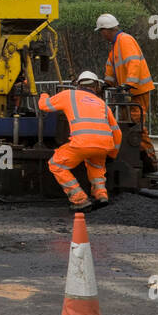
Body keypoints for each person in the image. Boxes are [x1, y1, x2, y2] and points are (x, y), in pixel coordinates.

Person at [37, 71, 122, 211]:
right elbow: (117, 132)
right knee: (96, 168)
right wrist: (113, 154)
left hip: (82, 143)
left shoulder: (69, 95)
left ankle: (79, 199)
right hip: (104, 145)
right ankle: (101, 196)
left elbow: (44, 106)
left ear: (78, 85)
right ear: (96, 86)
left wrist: (44, 94)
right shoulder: (102, 104)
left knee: (56, 164)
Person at [96, 13, 157, 172]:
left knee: (136, 125)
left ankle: (150, 161)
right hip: (130, 92)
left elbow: (133, 62)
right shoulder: (115, 46)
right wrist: (106, 83)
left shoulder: (125, 40)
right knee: (128, 127)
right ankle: (136, 158)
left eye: (101, 32)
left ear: (106, 30)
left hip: (137, 91)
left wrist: (129, 84)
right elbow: (111, 66)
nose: (101, 35)